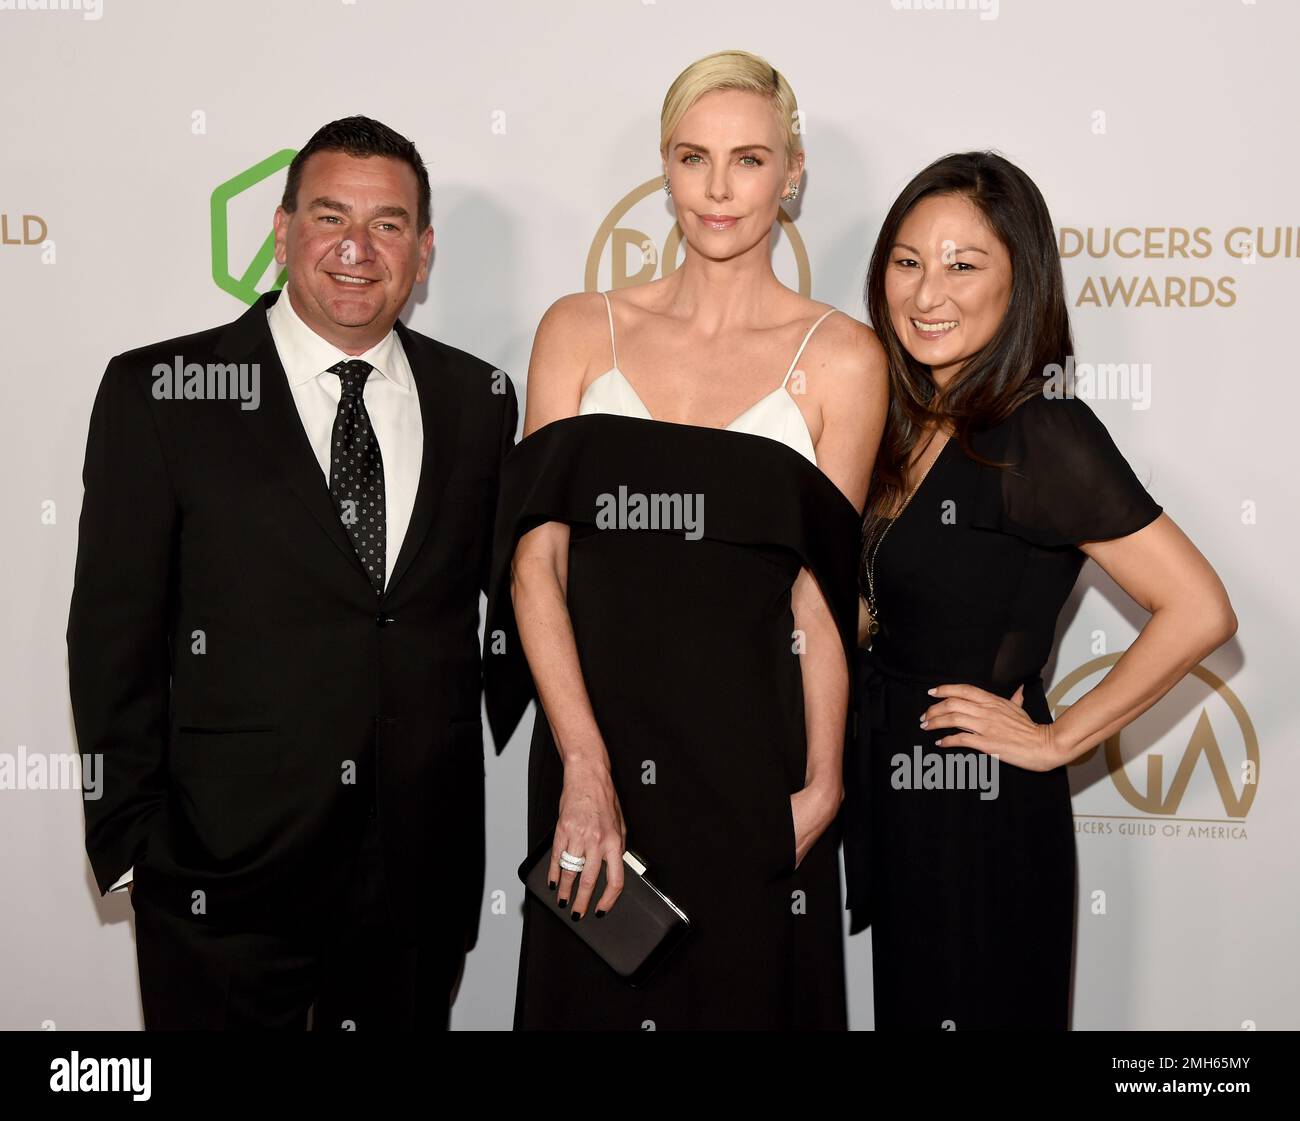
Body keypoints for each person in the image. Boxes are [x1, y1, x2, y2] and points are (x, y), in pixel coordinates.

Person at [66, 115, 518, 1029]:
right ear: (281, 231)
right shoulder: (161, 392)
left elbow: (515, 604)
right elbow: (113, 632)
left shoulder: (480, 400)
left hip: (415, 880)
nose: (357, 247)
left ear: (423, 251)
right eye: (329, 216)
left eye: (388, 224)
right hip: (217, 880)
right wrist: (132, 843)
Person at [483, 50, 886, 1029]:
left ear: (790, 173)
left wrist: (824, 781)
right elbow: (535, 561)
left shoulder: (842, 356)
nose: (717, 188)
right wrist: (582, 762)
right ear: (662, 169)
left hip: (754, 759)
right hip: (596, 743)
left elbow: (821, 596)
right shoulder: (579, 328)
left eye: (748, 159)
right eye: (691, 156)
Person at [843, 151, 1237, 1030]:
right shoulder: (908, 425)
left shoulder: (1041, 431)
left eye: (963, 263)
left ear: (1022, 282)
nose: (926, 291)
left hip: (980, 815)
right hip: (902, 800)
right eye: (907, 261)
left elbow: (1201, 609)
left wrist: (1062, 739)